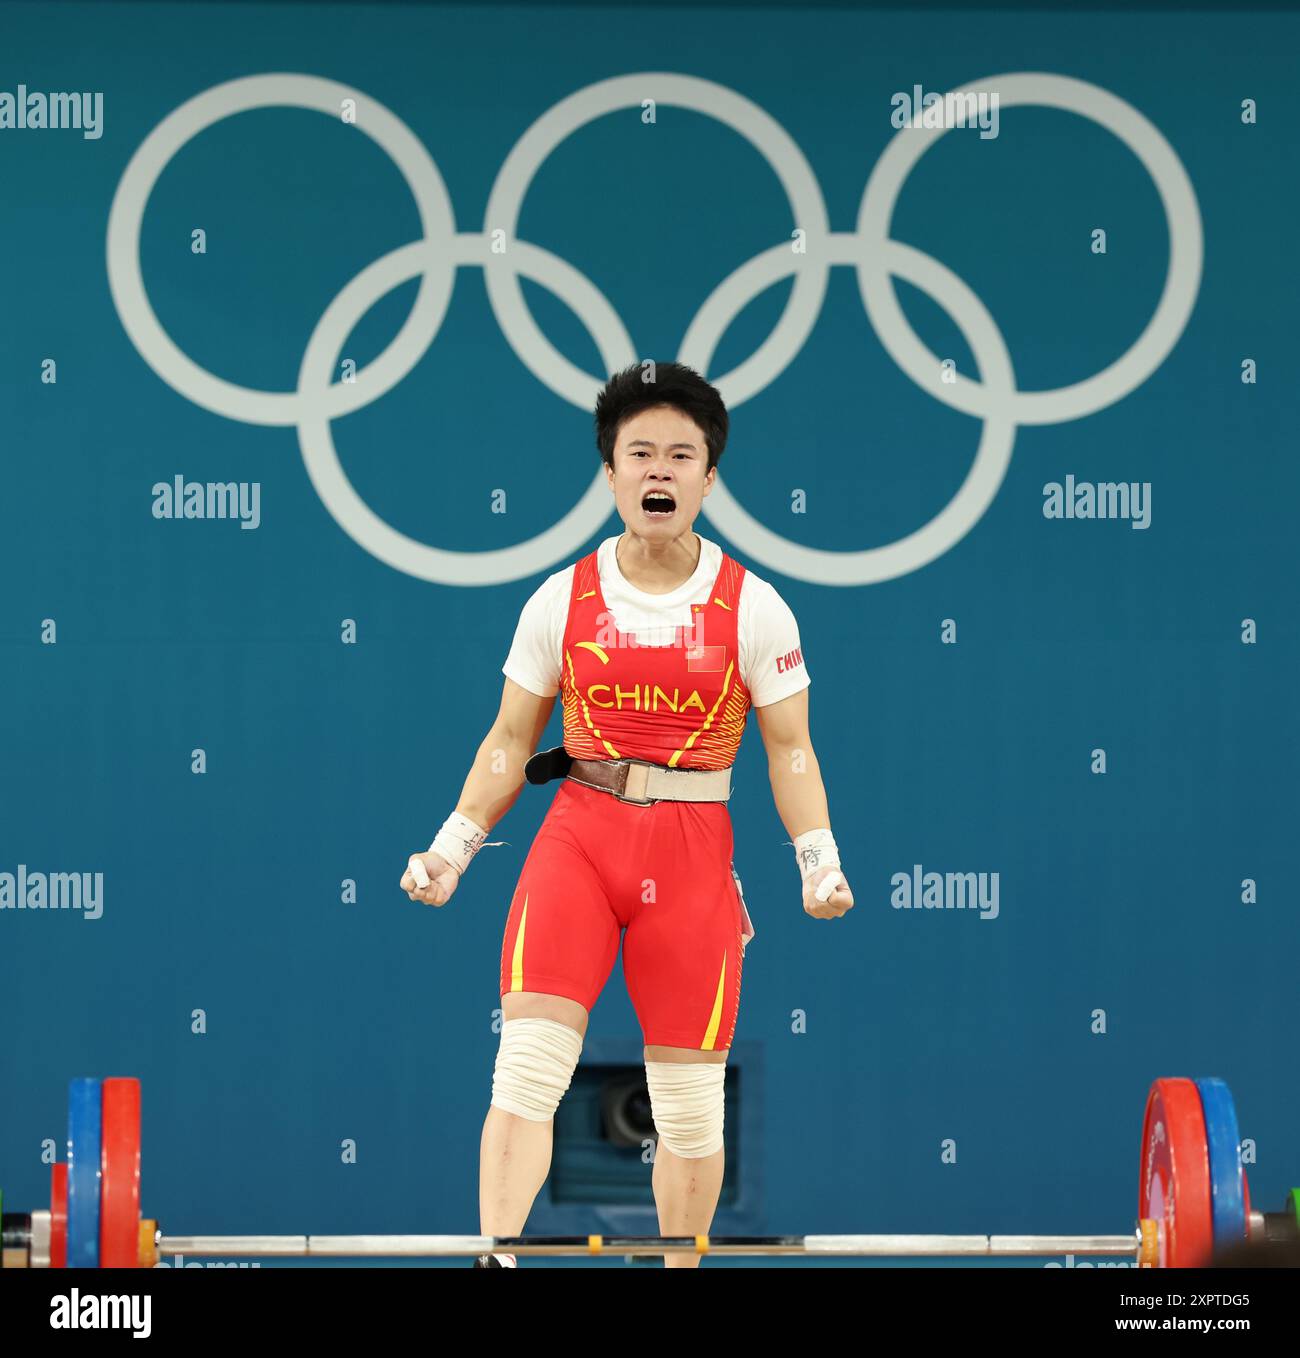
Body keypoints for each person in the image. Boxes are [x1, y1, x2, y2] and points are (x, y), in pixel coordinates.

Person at [399, 361, 853, 1268]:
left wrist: (817, 857)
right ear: (610, 474)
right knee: (526, 1070)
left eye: (681, 455)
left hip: (691, 858)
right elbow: (506, 740)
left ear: (708, 479)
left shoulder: (754, 606)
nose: (660, 470)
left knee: (688, 1109)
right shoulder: (559, 599)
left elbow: (790, 750)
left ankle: (679, 1266)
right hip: (579, 836)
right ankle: (497, 1259)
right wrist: (453, 845)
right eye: (639, 452)